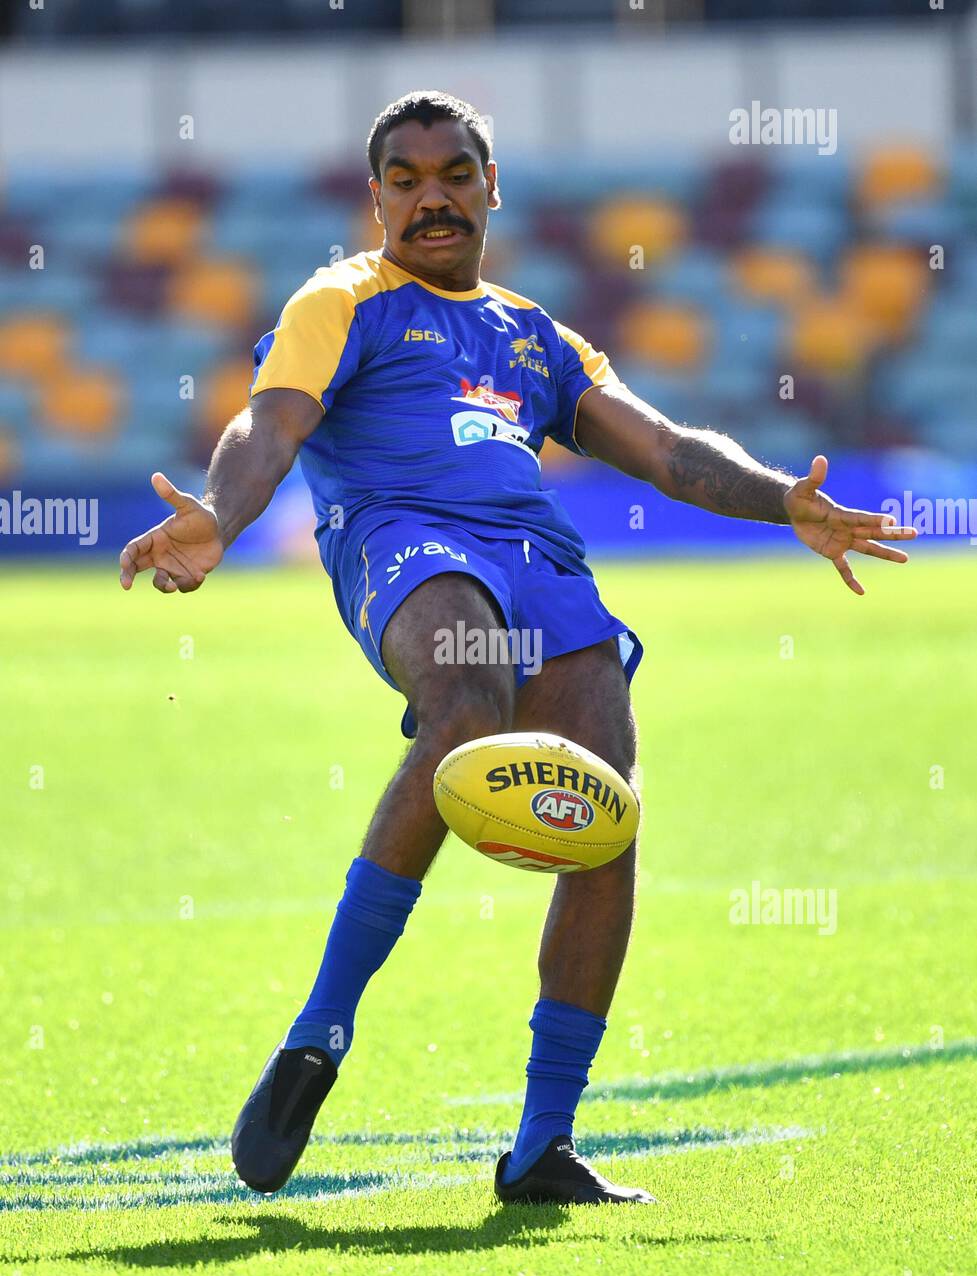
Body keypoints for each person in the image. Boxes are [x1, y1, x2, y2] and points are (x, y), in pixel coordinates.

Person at [119, 90, 915, 1206]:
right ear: (376, 197)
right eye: (404, 178)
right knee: (467, 693)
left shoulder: (535, 334)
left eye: (453, 174)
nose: (430, 196)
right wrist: (223, 511)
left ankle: (541, 1144)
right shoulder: (341, 297)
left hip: (534, 552)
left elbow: (665, 449)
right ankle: (317, 1037)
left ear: (490, 188)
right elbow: (273, 420)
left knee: (605, 807)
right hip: (402, 533)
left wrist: (787, 500)